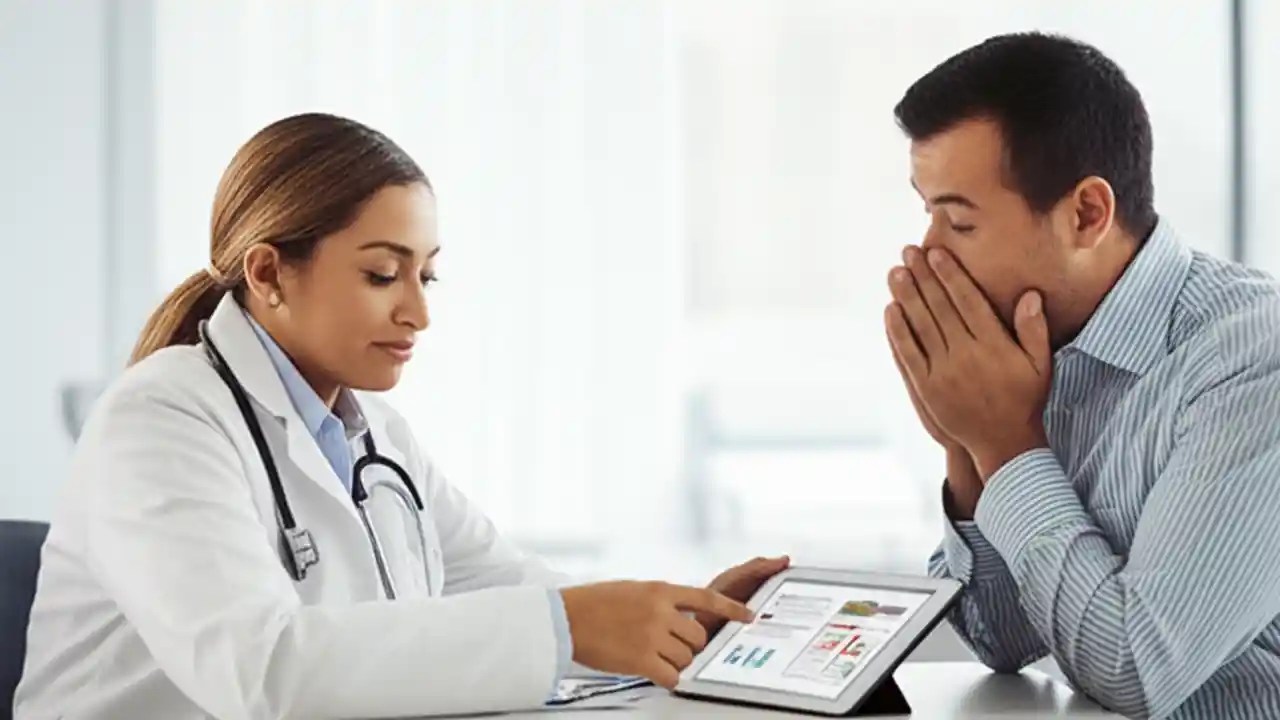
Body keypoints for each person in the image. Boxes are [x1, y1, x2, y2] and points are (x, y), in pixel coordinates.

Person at [14, 113, 790, 720]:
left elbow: (502, 583)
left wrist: (673, 614)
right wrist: (569, 624)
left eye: (427, 274)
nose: (417, 311)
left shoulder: (374, 438)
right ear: (268, 272)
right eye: (383, 273)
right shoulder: (161, 421)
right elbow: (259, 668)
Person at [882, 32, 1280, 719]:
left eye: (959, 221)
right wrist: (967, 444)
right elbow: (1001, 640)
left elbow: (1134, 671)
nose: (928, 253)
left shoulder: (1252, 359)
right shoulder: (1039, 351)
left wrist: (1008, 445)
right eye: (928, 214)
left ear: (1086, 214)